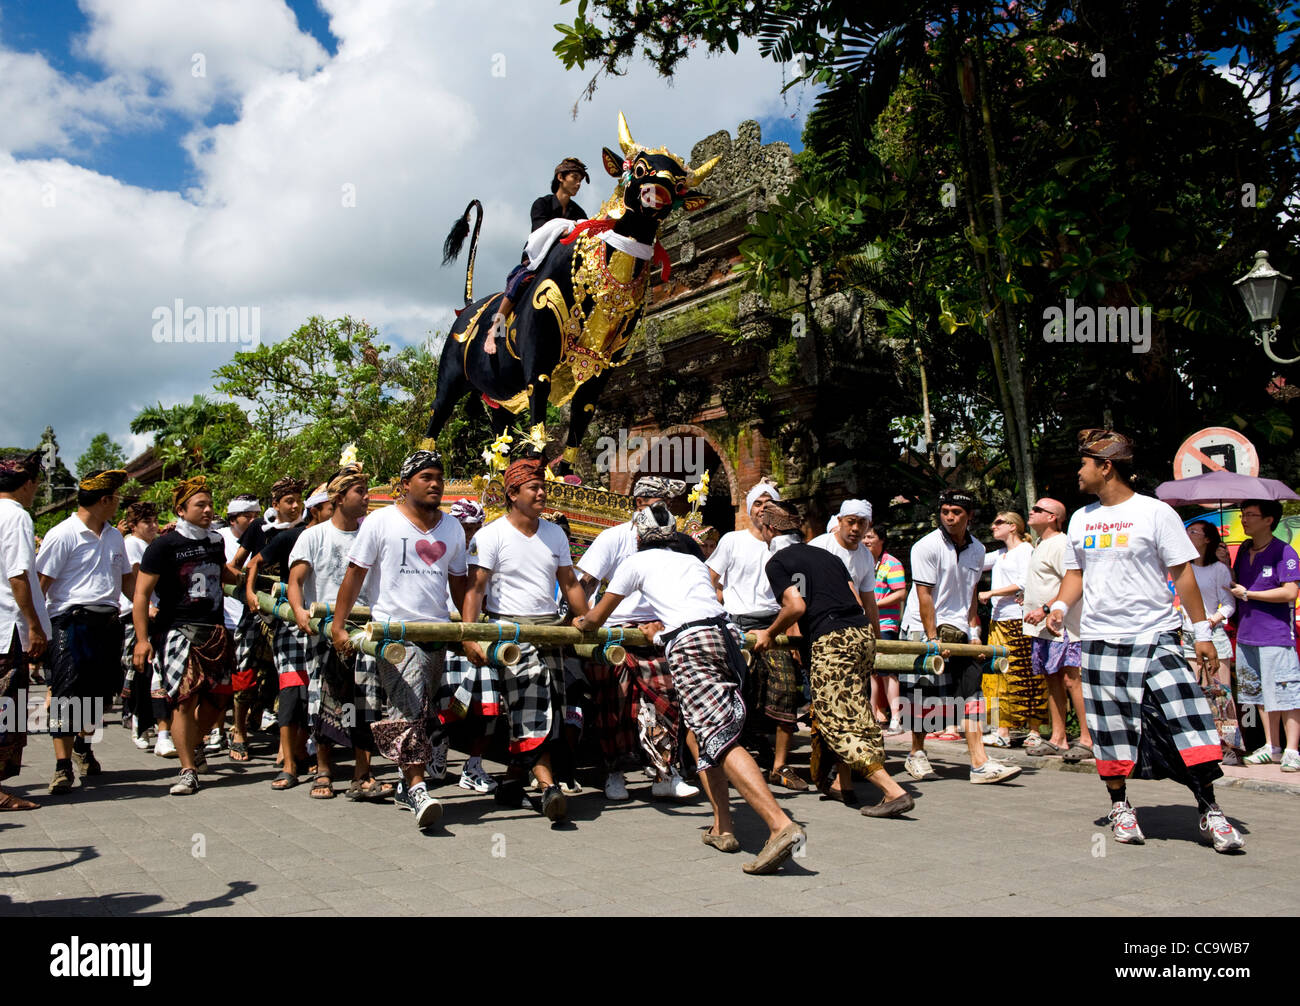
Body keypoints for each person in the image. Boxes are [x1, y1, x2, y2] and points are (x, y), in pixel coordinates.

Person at [576, 503, 805, 874]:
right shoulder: (693, 563)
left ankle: (779, 825)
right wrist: (662, 629)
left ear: (637, 535)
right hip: (726, 637)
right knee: (703, 734)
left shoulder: (634, 563)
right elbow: (703, 603)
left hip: (693, 644)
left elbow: (595, 618)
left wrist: (578, 620)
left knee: (721, 737)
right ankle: (723, 826)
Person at [1047, 428, 1242, 852]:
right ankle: (1120, 806)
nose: (1078, 473)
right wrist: (1059, 608)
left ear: (1106, 466)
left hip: (1155, 636)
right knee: (1109, 729)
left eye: (1083, 464)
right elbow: (1075, 576)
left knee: (1186, 720)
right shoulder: (1081, 519)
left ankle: (1210, 809)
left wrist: (1202, 631)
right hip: (1099, 641)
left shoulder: (1155, 513)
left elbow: (1183, 574)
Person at [753, 502, 915, 818]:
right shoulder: (828, 556)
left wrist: (770, 633)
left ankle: (893, 791)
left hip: (833, 640)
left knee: (838, 718)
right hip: (861, 635)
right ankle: (845, 785)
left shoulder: (778, 561)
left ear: (769, 530)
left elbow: (796, 607)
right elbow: (859, 600)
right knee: (856, 712)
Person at [333, 450, 466, 830]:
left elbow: (459, 583)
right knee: (408, 708)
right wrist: (340, 626)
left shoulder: (452, 528)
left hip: (436, 632)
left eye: (439, 476)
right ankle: (418, 786)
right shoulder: (380, 522)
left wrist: (472, 628)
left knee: (424, 710)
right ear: (405, 484)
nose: (435, 483)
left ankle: (407, 786)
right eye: (425, 476)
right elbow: (355, 574)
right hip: (393, 633)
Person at [460, 455, 589, 821]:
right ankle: (549, 786)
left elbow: (569, 582)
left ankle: (513, 780)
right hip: (510, 632)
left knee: (556, 707)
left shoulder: (554, 533)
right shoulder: (490, 535)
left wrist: (587, 620)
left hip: (550, 630)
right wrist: (471, 637)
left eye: (544, 487)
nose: (542, 493)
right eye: (534, 488)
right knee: (532, 702)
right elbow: (475, 589)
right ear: (512, 493)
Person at [576, 475, 699, 802]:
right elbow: (587, 580)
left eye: (667, 503)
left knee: (666, 699)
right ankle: (614, 773)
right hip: (614, 630)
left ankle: (665, 773)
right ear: (639, 503)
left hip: (655, 632)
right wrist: (578, 621)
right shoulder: (614, 537)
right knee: (614, 701)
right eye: (658, 502)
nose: (665, 508)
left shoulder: (674, 541)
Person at [898, 489, 1021, 784]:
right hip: (922, 626)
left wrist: (974, 632)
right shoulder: (925, 546)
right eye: (945, 512)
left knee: (971, 694)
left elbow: (970, 593)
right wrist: (931, 637)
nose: (950, 517)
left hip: (960, 631)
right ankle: (916, 754)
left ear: (969, 516)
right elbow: (924, 595)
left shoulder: (978, 549)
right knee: (922, 696)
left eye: (957, 513)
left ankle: (979, 763)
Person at [287, 465, 392, 801]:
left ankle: (363, 774)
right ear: (339, 497)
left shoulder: (370, 535)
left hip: (364, 630)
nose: (367, 499)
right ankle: (324, 769)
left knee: (365, 701)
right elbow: (296, 581)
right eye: (360, 492)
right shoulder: (314, 535)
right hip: (325, 628)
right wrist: (301, 610)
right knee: (324, 699)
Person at [133, 477, 240, 796]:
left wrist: (253, 583)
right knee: (184, 699)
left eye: (210, 505)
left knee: (219, 699)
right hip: (178, 629)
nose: (208, 510)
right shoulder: (164, 545)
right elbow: (141, 594)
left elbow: (223, 574)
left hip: (215, 629)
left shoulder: (216, 541)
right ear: (181, 510)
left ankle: (193, 744)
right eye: (200, 505)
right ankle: (188, 770)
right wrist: (142, 639)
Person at [36, 469, 133, 794]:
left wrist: (149, 604)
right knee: (65, 694)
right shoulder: (63, 534)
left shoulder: (115, 536)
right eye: (116, 498)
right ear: (104, 499)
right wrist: (34, 631)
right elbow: (41, 585)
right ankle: (62, 766)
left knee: (98, 694)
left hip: (107, 622)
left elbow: (128, 582)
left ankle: (83, 745)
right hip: (69, 623)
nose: (118, 503)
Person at [707, 479, 807, 790]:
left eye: (768, 502)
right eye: (757, 503)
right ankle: (732, 759)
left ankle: (780, 766)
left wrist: (792, 634)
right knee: (736, 691)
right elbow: (710, 578)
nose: (762, 508)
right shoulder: (732, 541)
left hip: (775, 624)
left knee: (786, 688)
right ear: (749, 508)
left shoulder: (788, 546)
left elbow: (795, 599)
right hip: (736, 623)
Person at [261, 483, 332, 789]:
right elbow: (253, 565)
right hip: (293, 624)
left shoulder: (349, 536)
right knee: (292, 693)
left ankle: (317, 758)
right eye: (331, 506)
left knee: (321, 696)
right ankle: (289, 763)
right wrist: (255, 599)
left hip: (326, 627)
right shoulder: (293, 536)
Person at [485, 157, 590, 355]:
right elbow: (540, 233)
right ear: (560, 177)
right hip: (538, 259)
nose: (578, 184)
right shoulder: (541, 204)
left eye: (580, 180)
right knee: (519, 281)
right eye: (574, 178)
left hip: (565, 263)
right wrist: (566, 231)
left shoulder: (578, 211)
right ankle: (494, 329)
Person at [435, 499, 500, 794]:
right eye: (465, 528)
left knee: (487, 708)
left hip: (481, 637)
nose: (471, 534)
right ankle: (437, 754)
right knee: (444, 706)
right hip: (447, 637)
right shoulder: (442, 550)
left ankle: (474, 765)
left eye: (476, 527)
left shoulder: (489, 553)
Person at [1020, 498, 1093, 761]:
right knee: (1052, 680)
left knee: (1072, 679)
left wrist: (1047, 608)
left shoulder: (1061, 543)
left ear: (1053, 517)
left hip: (1064, 627)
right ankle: (1058, 737)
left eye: (1038, 509)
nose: (1032, 511)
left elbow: (1074, 581)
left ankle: (1087, 738)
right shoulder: (1039, 545)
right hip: (1042, 629)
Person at [1230, 499, 1300, 771]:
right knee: (1258, 693)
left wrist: (1250, 594)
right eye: (1242, 514)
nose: (1244, 520)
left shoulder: (1285, 552)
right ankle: (1271, 746)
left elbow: (1290, 592)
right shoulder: (1245, 548)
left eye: (1250, 515)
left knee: (1285, 692)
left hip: (1275, 635)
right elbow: (1235, 585)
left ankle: (1292, 749)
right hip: (1247, 635)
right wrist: (1225, 563)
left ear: (1268, 520)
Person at [0, 451, 49, 810]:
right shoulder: (16, 516)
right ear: (28, 483)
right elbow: (18, 576)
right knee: (5, 708)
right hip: (7, 628)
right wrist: (33, 624)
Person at [978, 511, 1043, 748]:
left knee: (1025, 674)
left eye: (998, 523)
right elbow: (975, 559)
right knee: (998, 674)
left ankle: (1034, 729)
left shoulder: (1025, 551)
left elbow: (1025, 582)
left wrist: (991, 593)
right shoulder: (1000, 554)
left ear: (1013, 526)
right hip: (999, 620)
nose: (993, 527)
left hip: (1018, 619)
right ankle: (1002, 730)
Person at [219, 494, 262, 761]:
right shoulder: (220, 538)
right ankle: (237, 730)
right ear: (234, 517)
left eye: (258, 513)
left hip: (276, 614)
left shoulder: (275, 528)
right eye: (249, 514)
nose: (256, 519)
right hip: (236, 615)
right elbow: (230, 568)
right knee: (240, 675)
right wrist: (251, 583)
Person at [118, 502, 162, 752]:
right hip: (136, 615)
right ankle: (138, 721)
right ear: (133, 525)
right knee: (140, 671)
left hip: (154, 611)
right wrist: (146, 609)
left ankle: (147, 720)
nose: (153, 526)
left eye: (155, 521)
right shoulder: (132, 544)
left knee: (152, 673)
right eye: (147, 522)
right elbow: (136, 584)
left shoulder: (152, 544)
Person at [864, 524, 906, 734]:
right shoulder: (864, 562)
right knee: (872, 672)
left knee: (888, 671)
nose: (866, 540)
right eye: (865, 537)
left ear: (882, 540)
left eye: (870, 537)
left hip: (886, 624)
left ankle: (896, 718)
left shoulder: (892, 564)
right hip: (867, 624)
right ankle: (873, 717)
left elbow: (900, 593)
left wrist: (874, 605)